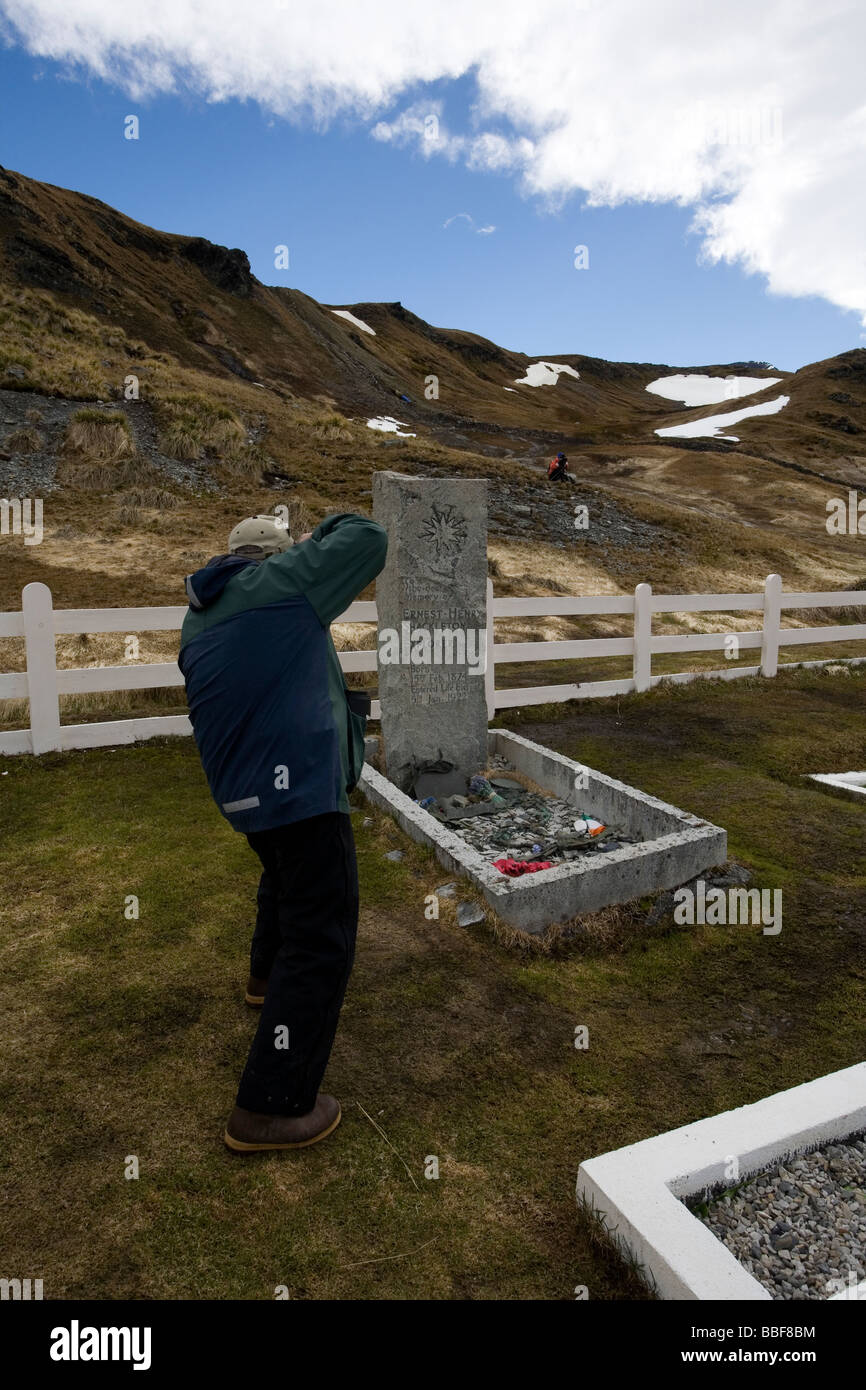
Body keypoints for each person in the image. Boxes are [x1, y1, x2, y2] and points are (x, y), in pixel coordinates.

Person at [179, 511, 388, 1152]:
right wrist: (318, 533)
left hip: (247, 796)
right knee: (322, 936)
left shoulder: (200, 618)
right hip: (299, 789)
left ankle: (262, 979)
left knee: (284, 879)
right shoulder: (280, 585)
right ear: (271, 558)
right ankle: (270, 1106)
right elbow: (369, 538)